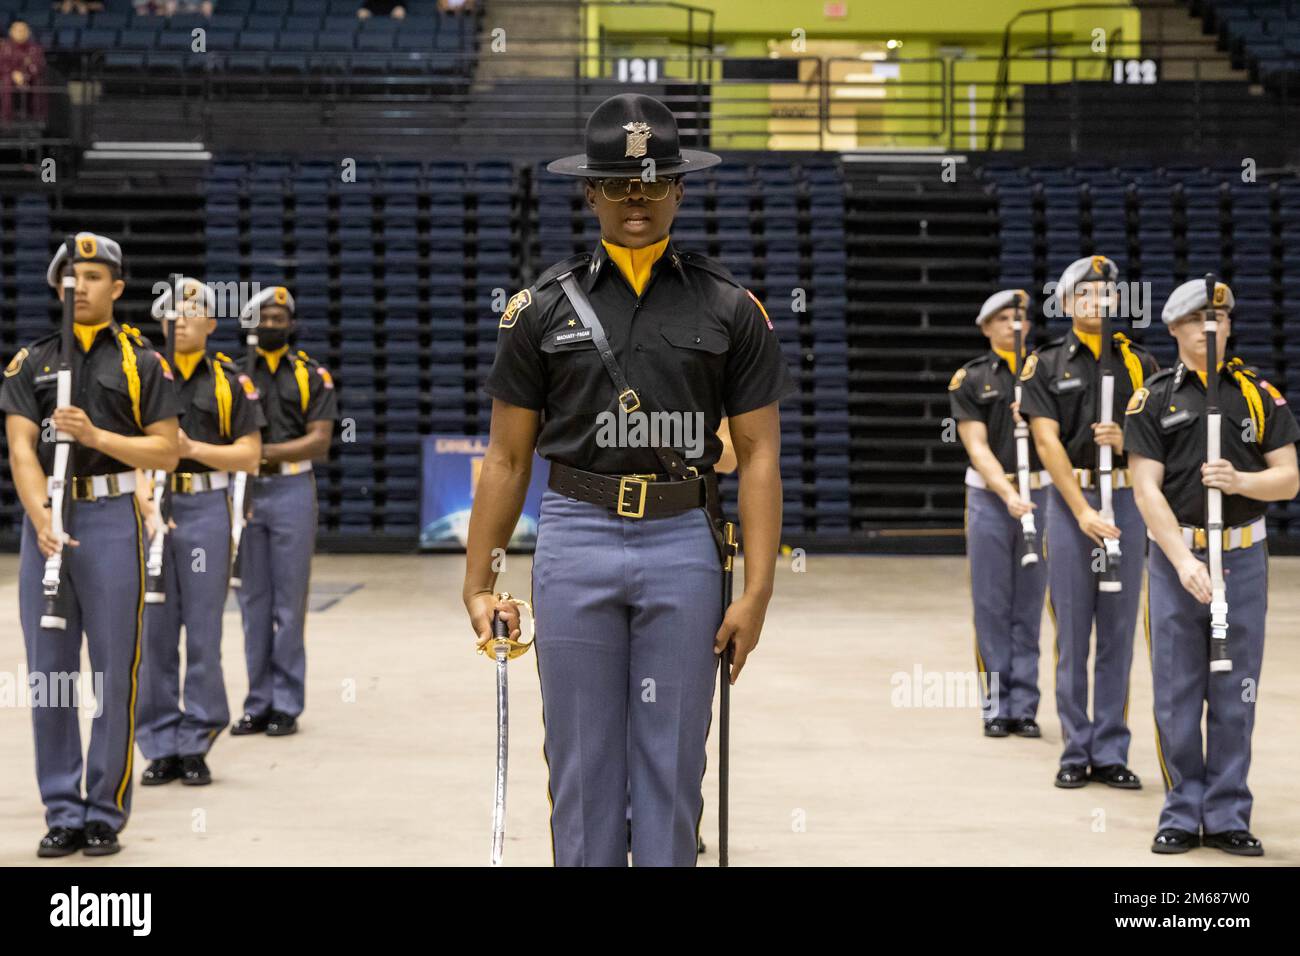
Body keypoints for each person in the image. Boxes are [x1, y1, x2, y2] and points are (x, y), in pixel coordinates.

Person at [463, 92, 794, 867]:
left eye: (652, 179)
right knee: (581, 766)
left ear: (679, 186)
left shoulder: (729, 307)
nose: (636, 195)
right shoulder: (537, 311)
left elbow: (761, 456)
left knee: (673, 764)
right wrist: (478, 580)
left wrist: (758, 591)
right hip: (575, 537)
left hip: (684, 542)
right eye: (618, 181)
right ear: (590, 192)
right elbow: (507, 459)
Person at [1, 233, 182, 856]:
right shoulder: (31, 362)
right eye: (72, 277)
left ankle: (105, 808)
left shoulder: (142, 362)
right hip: (47, 525)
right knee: (50, 675)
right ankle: (61, 808)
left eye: (96, 276)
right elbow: (22, 447)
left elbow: (166, 448)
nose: (82, 286)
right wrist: (40, 513)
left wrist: (97, 434)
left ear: (118, 287)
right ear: (58, 286)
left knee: (113, 671)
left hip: (110, 515)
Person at [1127, 278, 1299, 856]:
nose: (1213, 327)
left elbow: (1289, 477)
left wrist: (1240, 481)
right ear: (1176, 330)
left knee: (1235, 690)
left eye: (1221, 319)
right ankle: (1180, 810)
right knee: (1177, 692)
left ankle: (1227, 813)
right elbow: (1145, 489)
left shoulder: (1257, 394)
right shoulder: (1153, 398)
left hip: (1243, 556)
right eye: (1201, 319)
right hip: (1180, 558)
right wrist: (1180, 559)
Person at [1020, 255, 1159, 789]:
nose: (1097, 301)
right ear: (1068, 301)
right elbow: (1045, 439)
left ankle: (1112, 748)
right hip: (1072, 499)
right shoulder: (1047, 363)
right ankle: (1075, 748)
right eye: (1086, 293)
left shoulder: (1140, 365)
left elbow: (1159, 441)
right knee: (1074, 628)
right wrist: (1079, 508)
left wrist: (1129, 442)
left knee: (1119, 630)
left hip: (1127, 500)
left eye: (1107, 293)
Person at [135, 278, 264, 787]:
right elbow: (130, 448)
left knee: (204, 631)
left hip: (206, 505)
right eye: (171, 314)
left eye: (191, 312)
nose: (180, 320)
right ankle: (159, 741)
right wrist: (145, 502)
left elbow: (249, 455)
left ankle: (197, 739)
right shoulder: (146, 376)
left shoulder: (230, 381)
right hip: (153, 509)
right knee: (155, 633)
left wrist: (189, 449)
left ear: (211, 324)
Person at [230, 286, 337, 738]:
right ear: (251, 325)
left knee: (289, 604)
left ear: (291, 325)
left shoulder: (313, 375)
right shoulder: (234, 376)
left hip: (294, 485)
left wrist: (260, 450)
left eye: (280, 318)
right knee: (253, 602)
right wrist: (247, 459)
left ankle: (287, 704)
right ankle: (257, 702)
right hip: (246, 490)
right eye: (264, 319)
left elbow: (319, 441)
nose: (272, 325)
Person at [949, 289, 1048, 738]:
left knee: (1029, 604)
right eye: (1004, 318)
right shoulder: (971, 379)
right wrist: (1007, 492)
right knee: (992, 604)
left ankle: (1025, 704)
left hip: (1042, 495)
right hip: (992, 499)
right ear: (987, 327)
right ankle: (996, 704)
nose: (1014, 325)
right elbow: (976, 446)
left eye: (1020, 318)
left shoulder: (1045, 372)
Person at [0, 20, 46, 126]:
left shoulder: (35, 48)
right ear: (11, 32)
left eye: (23, 30)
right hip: (6, 79)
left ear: (28, 32)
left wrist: (25, 75)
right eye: (17, 30)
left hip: (29, 79)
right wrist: (12, 74)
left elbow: (38, 66)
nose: (20, 33)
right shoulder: (4, 48)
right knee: (6, 82)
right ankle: (6, 122)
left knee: (39, 83)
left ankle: (37, 120)